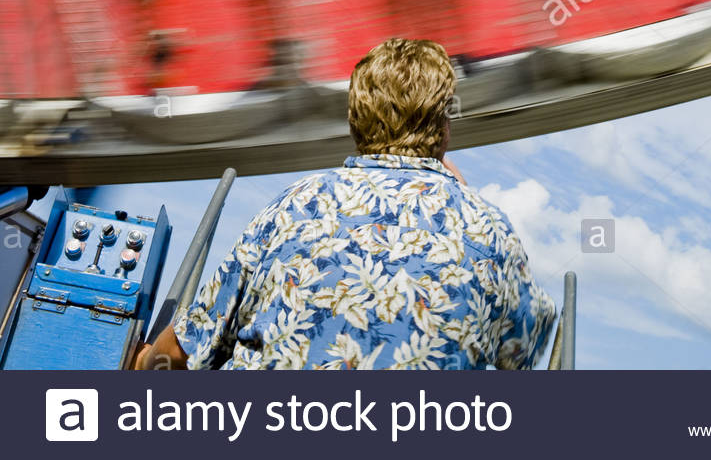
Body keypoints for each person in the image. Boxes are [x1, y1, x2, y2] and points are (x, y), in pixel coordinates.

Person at [135, 37, 556, 369]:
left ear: (355, 118)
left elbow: (186, 349)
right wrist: (461, 196)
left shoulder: (295, 206)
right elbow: (522, 351)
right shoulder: (489, 230)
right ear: (443, 126)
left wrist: (141, 360)